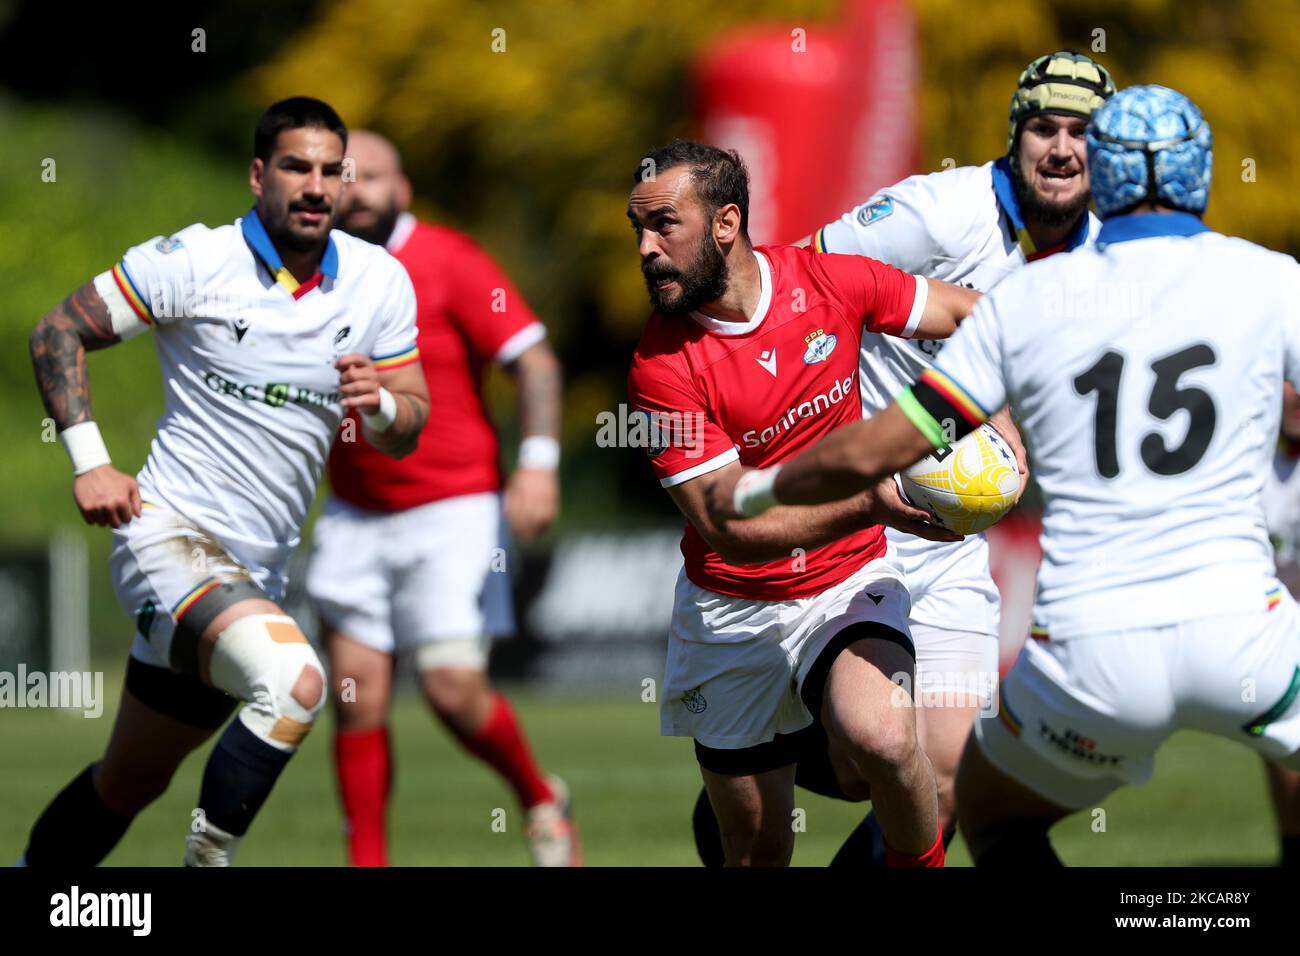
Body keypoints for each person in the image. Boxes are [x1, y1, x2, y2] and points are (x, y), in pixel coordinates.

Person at [707, 85, 1300, 866]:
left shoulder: (1033, 300)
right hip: (1246, 629)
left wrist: (755, 488)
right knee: (914, 775)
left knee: (986, 813)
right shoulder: (1271, 278)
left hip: (1092, 647)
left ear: (1107, 173)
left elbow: (881, 447)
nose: (1061, 150)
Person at [691, 50, 1116, 865]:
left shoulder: (1106, 255)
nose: (1061, 149)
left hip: (952, 532)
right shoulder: (935, 212)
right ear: (1015, 134)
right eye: (1043, 127)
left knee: (943, 776)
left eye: (1081, 133)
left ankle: (765, 765)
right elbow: (799, 284)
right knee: (868, 761)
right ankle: (754, 768)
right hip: (854, 513)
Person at [20, 98, 428, 866]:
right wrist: (91, 461)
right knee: (297, 684)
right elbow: (57, 330)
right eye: (295, 167)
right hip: (167, 541)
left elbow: (412, 422)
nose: (315, 186)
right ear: (256, 175)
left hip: (254, 575)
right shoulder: (194, 262)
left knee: (129, 781)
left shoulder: (379, 281)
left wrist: (381, 407)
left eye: (330, 171)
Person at [628, 139, 981, 866]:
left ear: (726, 224)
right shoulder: (656, 369)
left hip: (848, 582)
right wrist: (871, 505)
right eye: (638, 228)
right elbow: (729, 528)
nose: (646, 248)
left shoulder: (828, 282)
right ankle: (785, 747)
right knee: (757, 851)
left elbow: (973, 317)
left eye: (665, 225)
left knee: (882, 739)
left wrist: (992, 418)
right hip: (730, 610)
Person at [304, 131, 578, 867]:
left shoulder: (451, 261)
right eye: (342, 176)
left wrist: (540, 465)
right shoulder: (308, 270)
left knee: (453, 689)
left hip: (454, 506)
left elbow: (535, 361)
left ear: (405, 189)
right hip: (355, 510)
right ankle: (367, 860)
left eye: (372, 176)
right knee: (357, 695)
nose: (355, 190)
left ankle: (540, 800)